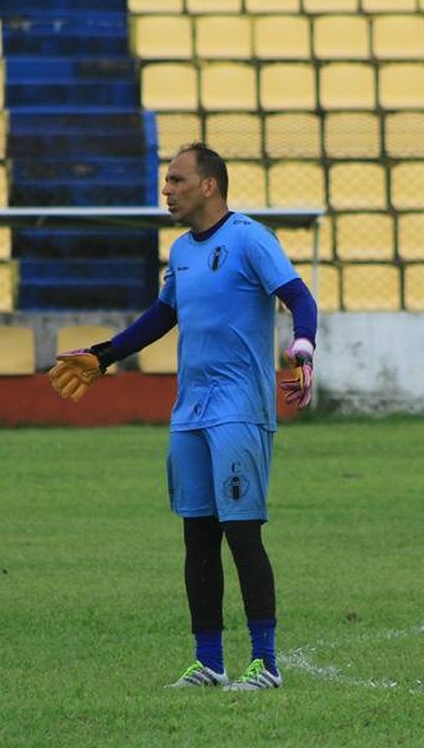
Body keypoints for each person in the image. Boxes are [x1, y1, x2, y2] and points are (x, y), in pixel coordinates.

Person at [50, 143, 318, 691]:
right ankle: (209, 663)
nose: (166, 190)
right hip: (190, 411)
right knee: (197, 537)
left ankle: (265, 663)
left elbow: (299, 296)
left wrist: (303, 349)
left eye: (176, 180)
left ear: (209, 186)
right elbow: (163, 314)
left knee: (242, 535)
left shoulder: (249, 238)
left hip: (239, 410)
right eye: (166, 181)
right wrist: (104, 354)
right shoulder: (181, 251)